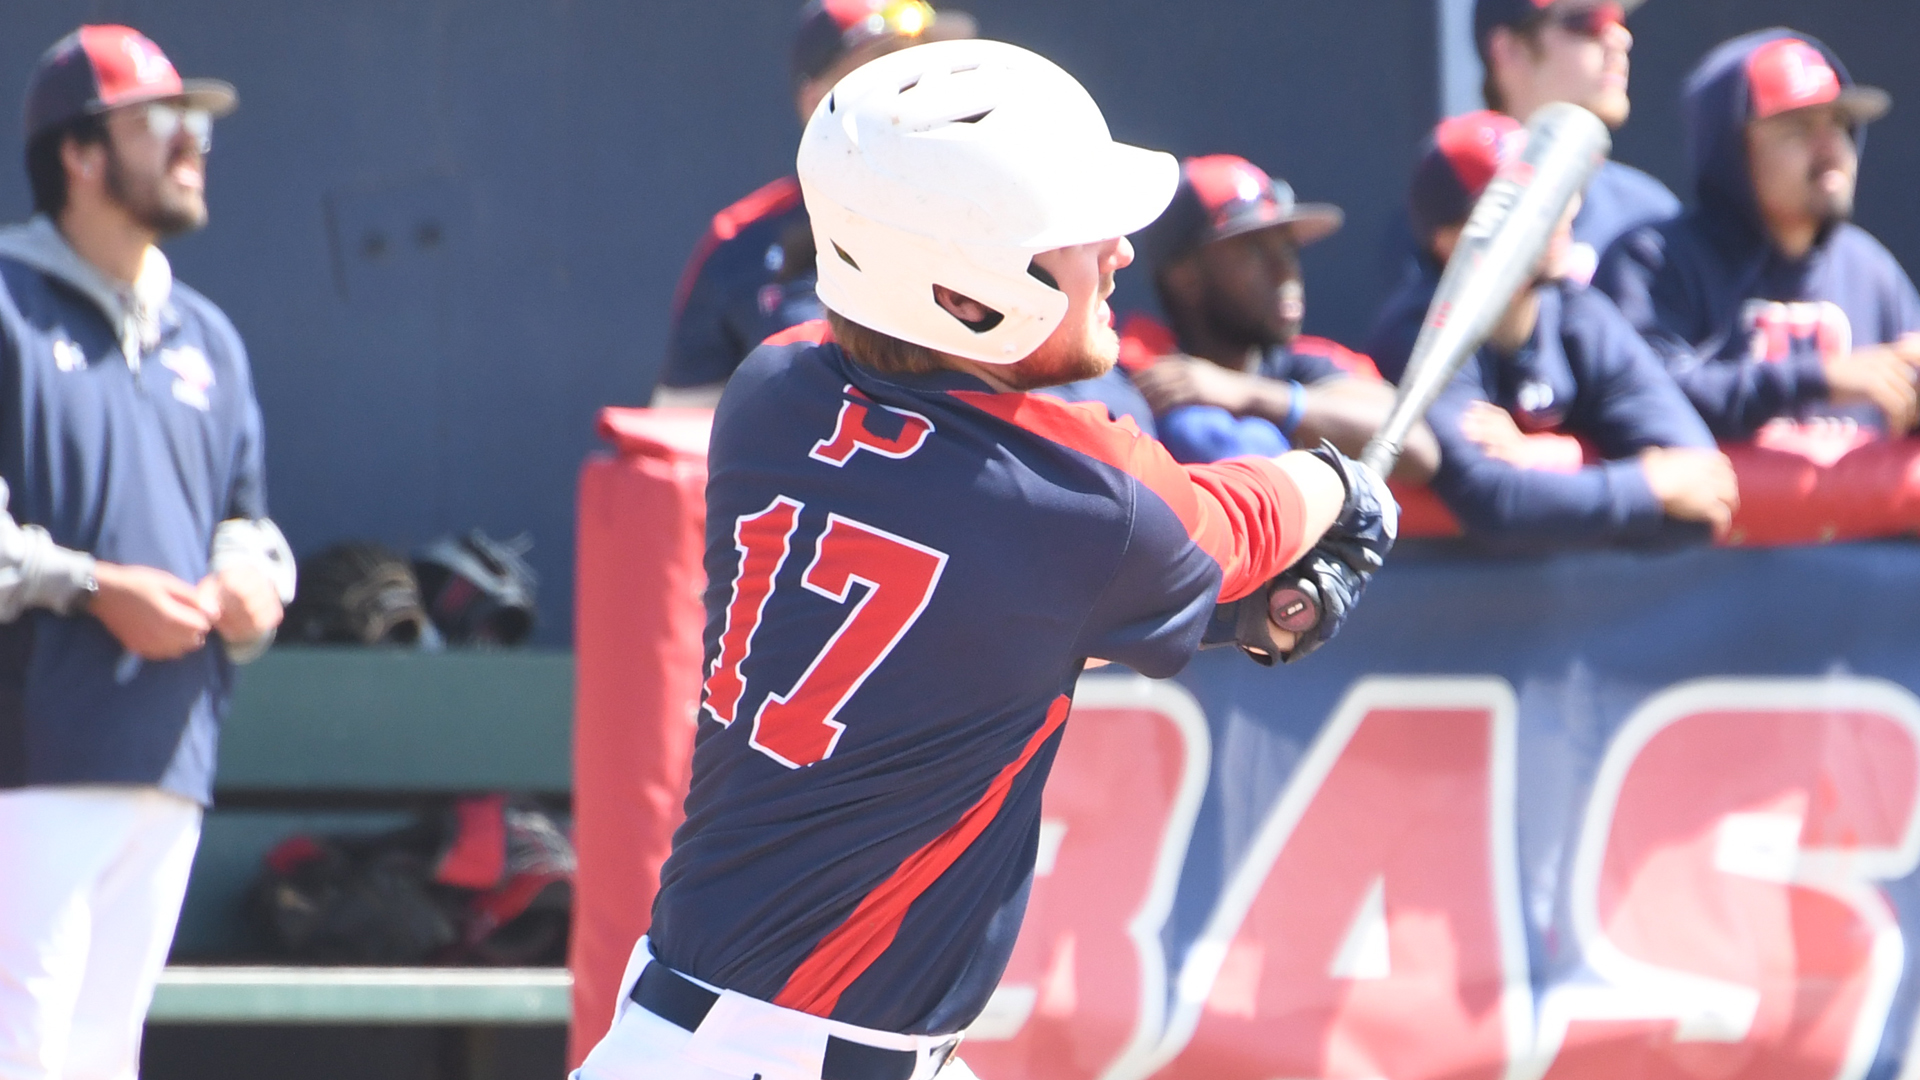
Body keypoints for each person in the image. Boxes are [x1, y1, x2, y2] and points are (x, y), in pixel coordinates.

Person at [576, 39, 1395, 1080]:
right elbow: (1236, 521)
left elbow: (973, 614)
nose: (1119, 253)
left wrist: (1243, 617)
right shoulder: (1076, 494)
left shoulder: (774, 390)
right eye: (1076, 233)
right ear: (966, 294)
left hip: (699, 1032)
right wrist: (1342, 485)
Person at [0, 25, 295, 1078]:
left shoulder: (209, 337)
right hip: (25, 763)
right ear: (79, 154)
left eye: (195, 124)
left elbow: (248, 522)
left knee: (98, 1060)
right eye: (159, 122)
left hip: (168, 759)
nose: (190, 145)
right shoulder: (6, 303)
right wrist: (89, 586)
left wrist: (252, 579)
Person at [1374, 111, 1737, 550]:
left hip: (1575, 592)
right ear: (1451, 240)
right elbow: (1493, 500)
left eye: (1555, 193)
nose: (1558, 213)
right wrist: (1645, 486)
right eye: (1524, 205)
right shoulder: (1421, 332)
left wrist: (1548, 455)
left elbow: (1702, 487)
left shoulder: (1579, 315)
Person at [1594, 30, 1920, 441]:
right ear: (1732, 148)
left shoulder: (1869, 270)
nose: (1830, 148)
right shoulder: (1657, 261)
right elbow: (1639, 395)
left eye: (1839, 123)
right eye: (1800, 127)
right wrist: (1816, 378)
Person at [651, 0, 976, 408]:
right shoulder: (743, 241)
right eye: (885, 64)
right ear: (815, 100)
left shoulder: (1000, 215)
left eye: (924, 66)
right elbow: (680, 425)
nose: (914, 86)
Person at [1101, 154, 1438, 481]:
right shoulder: (1126, 367)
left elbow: (1417, 447)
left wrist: (1248, 395)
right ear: (1186, 276)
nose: (1284, 271)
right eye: (1254, 250)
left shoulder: (1305, 362)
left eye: (1287, 248)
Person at [1473, 0, 1679, 282]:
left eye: (1618, 21)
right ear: (1510, 50)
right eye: (1591, 22)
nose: (1620, 38)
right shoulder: (1452, 209)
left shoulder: (1649, 215)